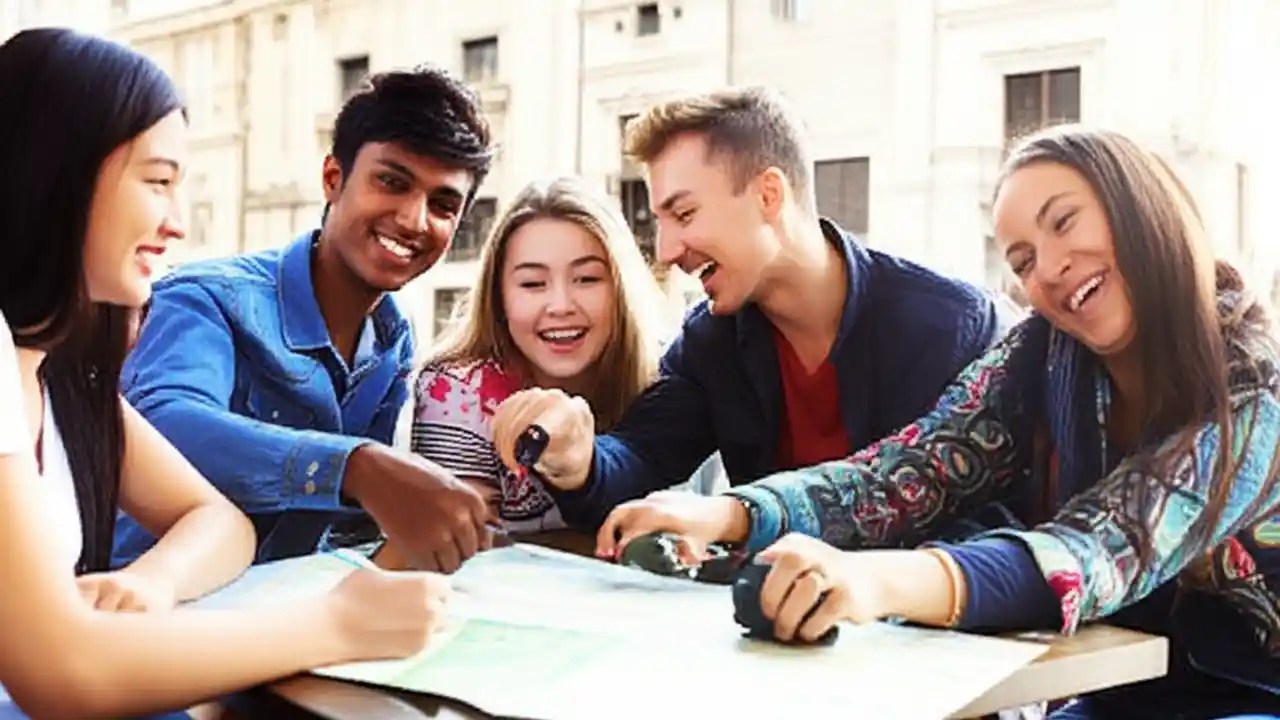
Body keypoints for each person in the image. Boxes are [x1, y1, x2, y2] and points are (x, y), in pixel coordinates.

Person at [601, 125, 1280, 717]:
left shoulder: (1256, 386)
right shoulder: (1043, 352)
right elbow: (911, 468)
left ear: (1138, 205)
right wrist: (726, 516)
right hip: (1118, 699)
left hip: (1254, 699)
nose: (1048, 267)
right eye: (1021, 260)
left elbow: (1097, 546)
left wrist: (870, 582)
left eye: (1064, 221)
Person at [0, 28, 448, 719]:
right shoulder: (204, 300)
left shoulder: (60, 375)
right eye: (157, 182)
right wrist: (336, 625)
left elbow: (218, 518)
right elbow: (63, 670)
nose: (178, 223)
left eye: (445, 203)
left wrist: (152, 584)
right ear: (55, 173)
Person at [490, 86, 1016, 539]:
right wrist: (578, 460)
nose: (668, 249)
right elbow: (642, 455)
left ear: (768, 194)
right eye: (661, 220)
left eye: (685, 213)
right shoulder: (710, 340)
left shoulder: (950, 325)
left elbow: (983, 519)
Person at [112, 62, 500, 573]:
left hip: (291, 617)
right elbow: (163, 424)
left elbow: (353, 525)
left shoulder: (391, 341)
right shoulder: (206, 298)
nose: (413, 219)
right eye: (391, 181)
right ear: (333, 178)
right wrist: (356, 467)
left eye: (443, 205)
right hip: (142, 610)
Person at [406, 177, 665, 537]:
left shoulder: (666, 380)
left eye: (587, 279)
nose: (560, 306)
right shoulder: (454, 393)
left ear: (622, 290)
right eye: (532, 284)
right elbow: (461, 547)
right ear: (499, 298)